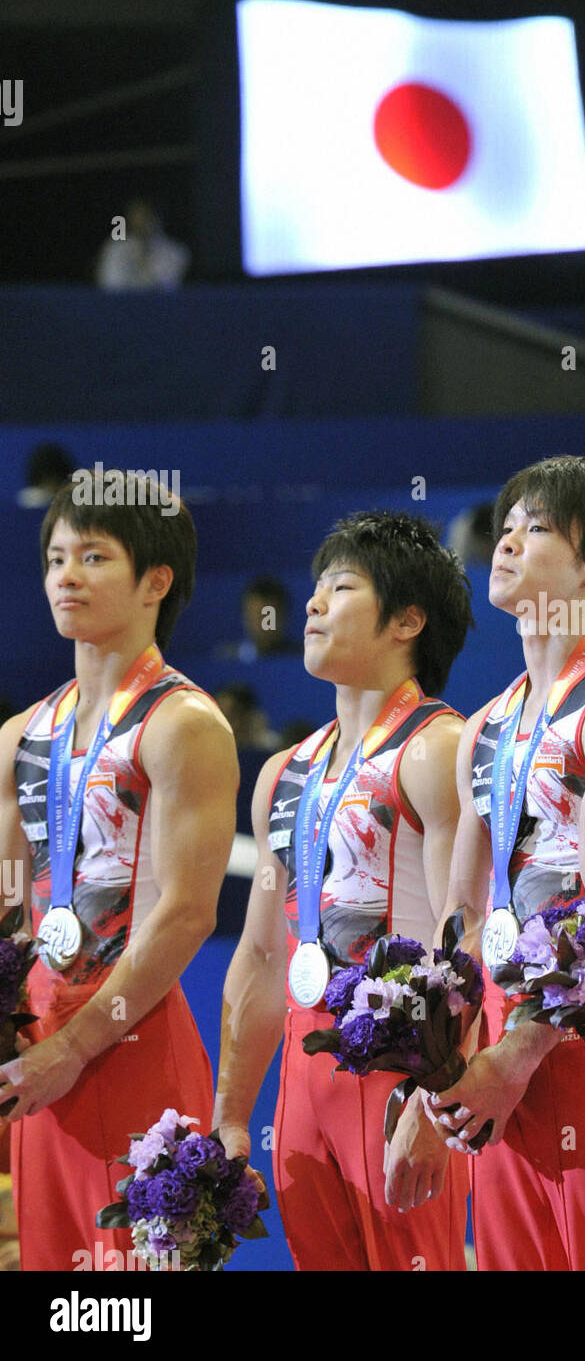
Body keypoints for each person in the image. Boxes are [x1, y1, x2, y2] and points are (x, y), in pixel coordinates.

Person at [425, 455, 585, 1271]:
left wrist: (517, 1055)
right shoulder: (487, 727)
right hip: (496, 1049)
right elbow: (460, 920)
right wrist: (435, 1071)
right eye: (504, 527)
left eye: (535, 529)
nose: (505, 543)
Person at [212, 512, 475, 1271]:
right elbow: (262, 956)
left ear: (407, 620)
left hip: (401, 1074)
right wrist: (233, 1116)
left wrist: (434, 1101)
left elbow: (466, 943)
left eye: (341, 587)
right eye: (315, 588)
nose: (310, 605)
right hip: (302, 1080)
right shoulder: (283, 774)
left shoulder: (436, 752)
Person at [0, 470, 236, 1270]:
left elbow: (185, 913)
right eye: (56, 557)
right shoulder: (19, 737)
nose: (65, 576)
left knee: (132, 1296)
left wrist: (72, 1049)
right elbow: (5, 901)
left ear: (155, 581)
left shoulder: (183, 725)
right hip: (32, 1046)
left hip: (129, 1041)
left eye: (94, 557)